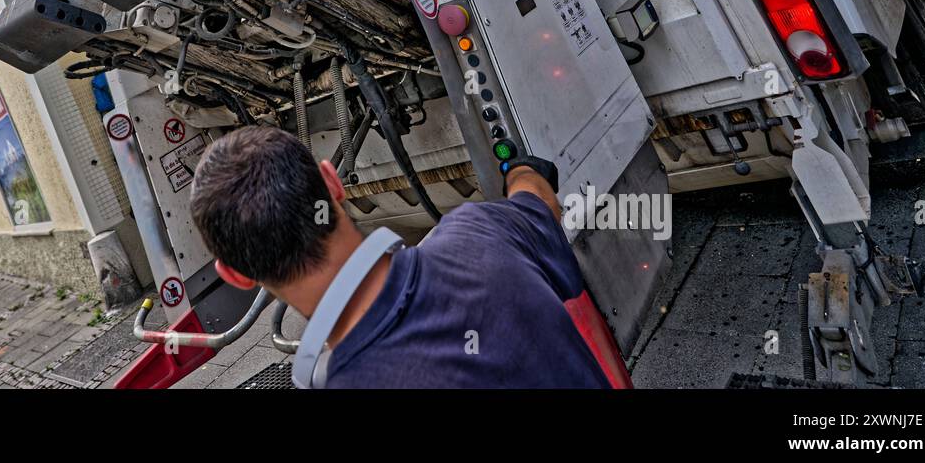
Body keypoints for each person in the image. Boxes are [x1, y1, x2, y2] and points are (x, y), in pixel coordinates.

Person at [189, 126, 618, 388]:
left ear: (237, 275)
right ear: (332, 182)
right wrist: (522, 171)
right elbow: (538, 203)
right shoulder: (483, 233)